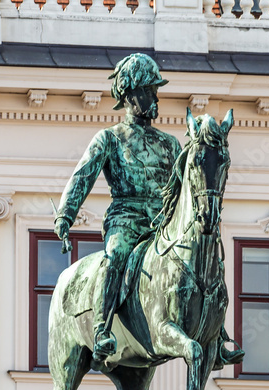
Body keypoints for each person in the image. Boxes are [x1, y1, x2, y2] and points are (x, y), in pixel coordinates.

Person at [54, 53, 182, 363]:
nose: (155, 97)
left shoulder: (170, 143)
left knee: (198, 256)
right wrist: (65, 215)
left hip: (162, 222)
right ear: (130, 93)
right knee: (115, 257)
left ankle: (214, 335)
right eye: (149, 90)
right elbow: (82, 176)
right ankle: (101, 329)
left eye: (155, 90)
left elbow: (182, 189)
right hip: (127, 217)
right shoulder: (110, 139)